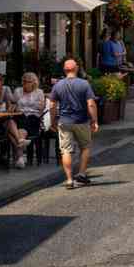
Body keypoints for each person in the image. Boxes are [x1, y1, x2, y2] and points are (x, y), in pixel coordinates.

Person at [49, 59, 99, 191]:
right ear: (76, 69)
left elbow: (52, 105)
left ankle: (69, 180)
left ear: (65, 70)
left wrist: (53, 120)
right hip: (81, 121)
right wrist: (94, 120)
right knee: (86, 147)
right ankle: (81, 173)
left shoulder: (58, 85)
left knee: (65, 150)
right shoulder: (84, 84)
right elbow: (91, 104)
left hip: (64, 122)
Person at [12, 72, 46, 157]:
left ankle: (20, 155)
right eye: (25, 81)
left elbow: (41, 109)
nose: (26, 83)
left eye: (29, 82)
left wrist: (42, 105)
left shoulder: (39, 92)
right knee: (19, 122)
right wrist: (14, 107)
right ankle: (21, 142)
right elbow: (13, 105)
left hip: (34, 117)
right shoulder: (18, 91)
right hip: (20, 115)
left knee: (18, 129)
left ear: (34, 83)